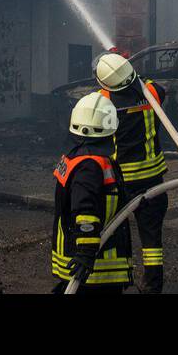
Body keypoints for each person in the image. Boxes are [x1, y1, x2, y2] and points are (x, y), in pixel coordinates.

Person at [95, 49, 169, 293]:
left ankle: (114, 282)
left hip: (120, 182)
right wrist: (123, 65)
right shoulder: (152, 92)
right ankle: (152, 286)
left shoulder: (103, 100)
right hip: (153, 180)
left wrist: (111, 64)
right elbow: (148, 82)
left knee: (113, 233)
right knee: (151, 240)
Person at [51, 91, 132, 293]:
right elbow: (84, 209)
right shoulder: (90, 165)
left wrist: (131, 201)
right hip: (95, 267)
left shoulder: (76, 157)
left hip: (83, 261)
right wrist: (86, 252)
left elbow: (105, 196)